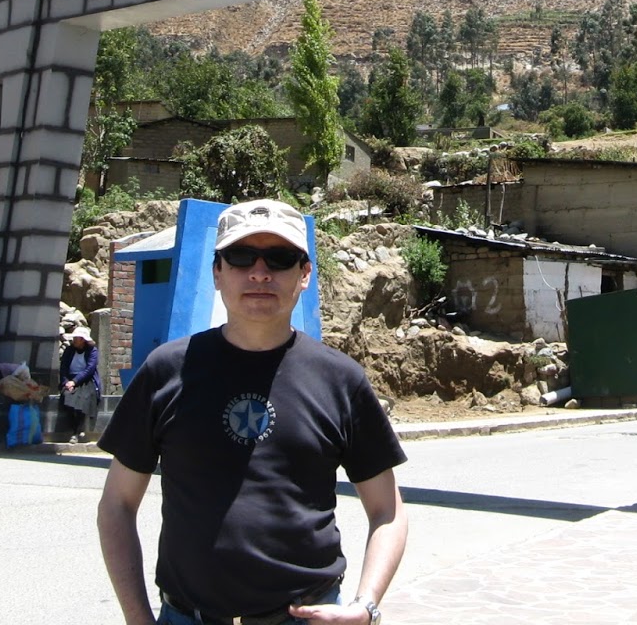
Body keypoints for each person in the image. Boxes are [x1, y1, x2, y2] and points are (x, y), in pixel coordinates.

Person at [98, 199, 407, 625]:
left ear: (304, 274)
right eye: (242, 257)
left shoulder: (341, 379)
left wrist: (366, 606)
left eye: (279, 259)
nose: (260, 273)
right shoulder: (166, 370)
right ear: (217, 272)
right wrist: (138, 618)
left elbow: (388, 510)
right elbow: (116, 503)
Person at [59, 324, 101, 442]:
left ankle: (77, 431)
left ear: (82, 340)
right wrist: (67, 382)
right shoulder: (69, 350)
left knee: (83, 399)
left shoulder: (92, 351)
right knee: (68, 397)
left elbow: (90, 369)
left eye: (76, 338)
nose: (74, 340)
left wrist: (75, 381)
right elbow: (63, 368)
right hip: (70, 380)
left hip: (85, 380)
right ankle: (73, 429)